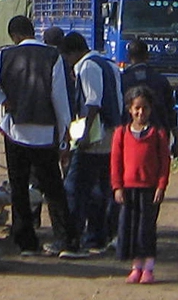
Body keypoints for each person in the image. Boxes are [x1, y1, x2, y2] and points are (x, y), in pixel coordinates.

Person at [0, 15, 82, 258]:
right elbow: (60, 100)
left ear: (14, 36)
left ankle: (25, 242)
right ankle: (66, 240)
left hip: (15, 132)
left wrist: (2, 100)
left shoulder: (4, 56)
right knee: (53, 190)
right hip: (44, 133)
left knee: (19, 188)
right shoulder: (53, 57)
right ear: (33, 32)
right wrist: (64, 134)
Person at [62, 32, 122, 253]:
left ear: (73, 53)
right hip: (112, 133)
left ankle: (73, 238)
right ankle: (99, 236)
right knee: (102, 188)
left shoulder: (87, 67)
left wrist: (85, 134)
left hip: (96, 135)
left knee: (75, 187)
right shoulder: (110, 65)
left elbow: (93, 102)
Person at [110, 89, 171, 285]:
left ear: (150, 109)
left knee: (147, 229)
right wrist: (117, 186)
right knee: (131, 229)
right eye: (137, 108)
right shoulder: (121, 133)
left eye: (144, 108)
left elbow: (164, 163)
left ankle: (149, 268)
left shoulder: (157, 134)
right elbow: (116, 161)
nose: (140, 113)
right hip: (128, 189)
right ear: (129, 109)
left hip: (149, 190)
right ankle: (136, 266)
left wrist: (161, 186)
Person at [119, 40, 177, 133]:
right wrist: (176, 136)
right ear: (147, 56)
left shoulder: (122, 80)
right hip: (158, 133)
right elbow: (170, 110)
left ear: (128, 57)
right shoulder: (160, 79)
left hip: (129, 133)